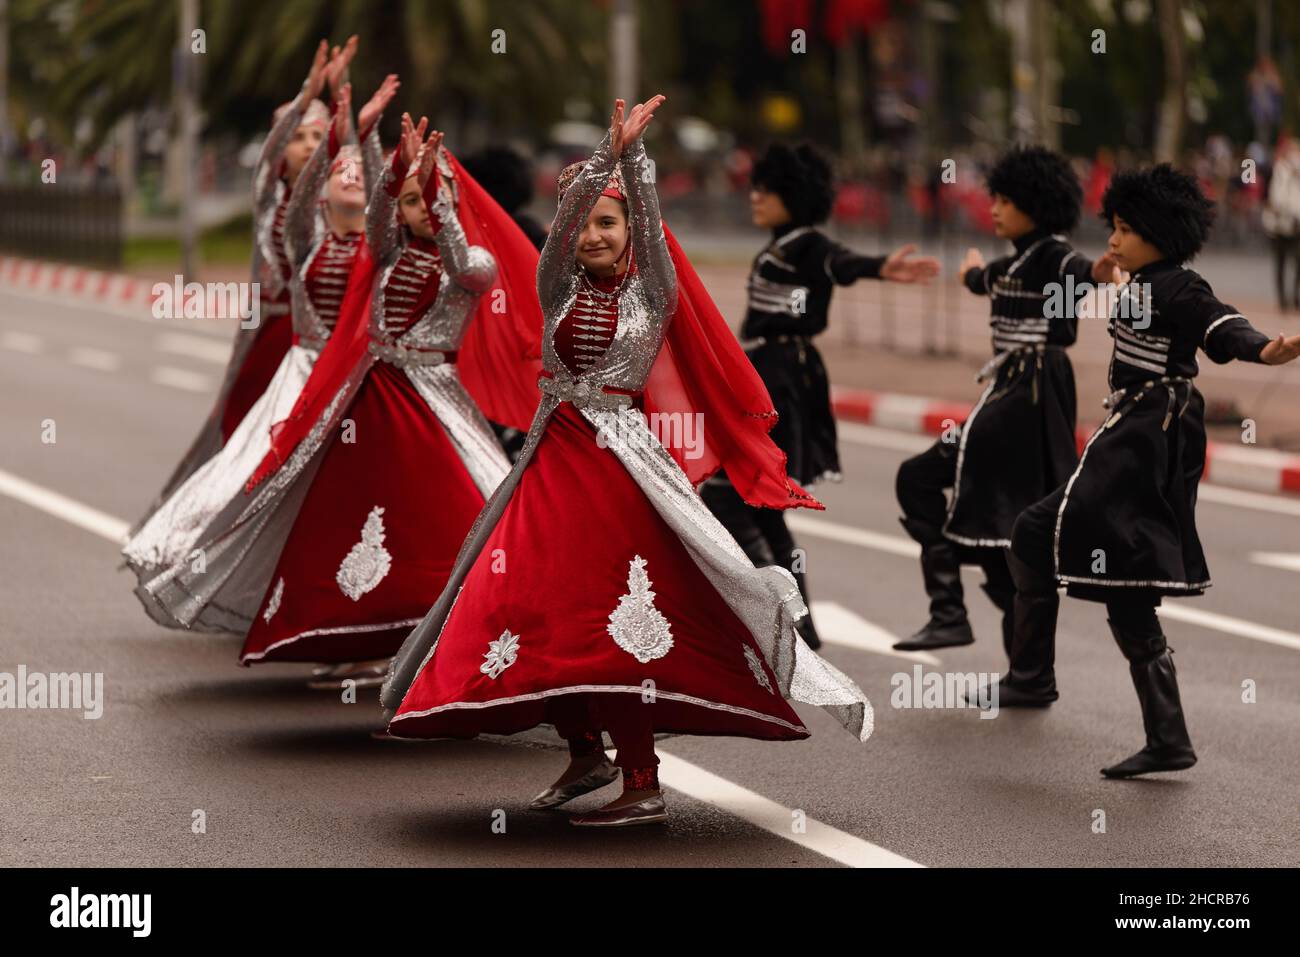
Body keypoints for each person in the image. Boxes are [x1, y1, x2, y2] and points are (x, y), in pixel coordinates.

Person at [380, 98, 872, 827]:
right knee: (530, 606)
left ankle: (643, 781)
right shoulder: (557, 288)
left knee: (612, 619)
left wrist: (631, 163)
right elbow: (558, 238)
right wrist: (593, 174)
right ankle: (585, 752)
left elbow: (645, 228)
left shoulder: (652, 294)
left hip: (619, 471)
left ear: (631, 235)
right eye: (583, 227)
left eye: (607, 225)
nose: (593, 237)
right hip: (548, 466)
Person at [984, 164, 1300, 778]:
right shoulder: (1139, 282)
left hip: (1146, 435)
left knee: (1034, 532)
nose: (1113, 240)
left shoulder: (1179, 286)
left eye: (1126, 229)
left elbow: (1221, 325)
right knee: (1120, 587)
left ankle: (1033, 677)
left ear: (1160, 232)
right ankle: (1161, 735)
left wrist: (1265, 348)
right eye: (1114, 228)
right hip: (1130, 427)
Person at [237, 115, 540, 683]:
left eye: (431, 201)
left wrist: (435, 193)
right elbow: (377, 213)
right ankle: (361, 635)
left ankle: (450, 647)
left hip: (432, 402)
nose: (420, 210)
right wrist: (392, 166)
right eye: (411, 203)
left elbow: (457, 258)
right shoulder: (386, 250)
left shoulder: (474, 264)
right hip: (371, 398)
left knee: (447, 523)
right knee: (349, 522)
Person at [126, 76, 396, 631]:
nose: (320, 153)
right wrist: (328, 118)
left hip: (346, 375)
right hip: (290, 361)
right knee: (248, 472)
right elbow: (294, 177)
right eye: (306, 140)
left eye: (320, 140)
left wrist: (360, 133)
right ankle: (210, 568)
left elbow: (381, 195)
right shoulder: (302, 226)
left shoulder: (372, 237)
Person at [701, 142, 939, 649]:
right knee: (763, 505)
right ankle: (800, 629)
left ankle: (778, 616)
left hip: (784, 378)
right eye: (757, 187)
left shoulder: (809, 244)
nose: (756, 197)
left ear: (796, 196)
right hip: (768, 371)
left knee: (727, 494)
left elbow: (840, 262)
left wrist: (880, 268)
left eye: (769, 190)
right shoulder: (777, 244)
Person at [894, 146, 1110, 658]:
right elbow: (983, 279)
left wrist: (1102, 271)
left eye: (1006, 200)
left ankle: (948, 611)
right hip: (1008, 393)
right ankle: (1028, 672)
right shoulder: (1013, 263)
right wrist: (969, 271)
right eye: (994, 197)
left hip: (1030, 393)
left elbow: (1083, 271)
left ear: (1036, 205)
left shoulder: (1055, 256)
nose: (993, 208)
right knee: (1006, 535)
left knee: (918, 477)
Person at [1264, 134, 1300, 312]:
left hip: (1296, 222)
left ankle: (1296, 297)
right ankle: (1283, 300)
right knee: (1281, 262)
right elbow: (1270, 194)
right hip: (1279, 223)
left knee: (1297, 261)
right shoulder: (1276, 170)